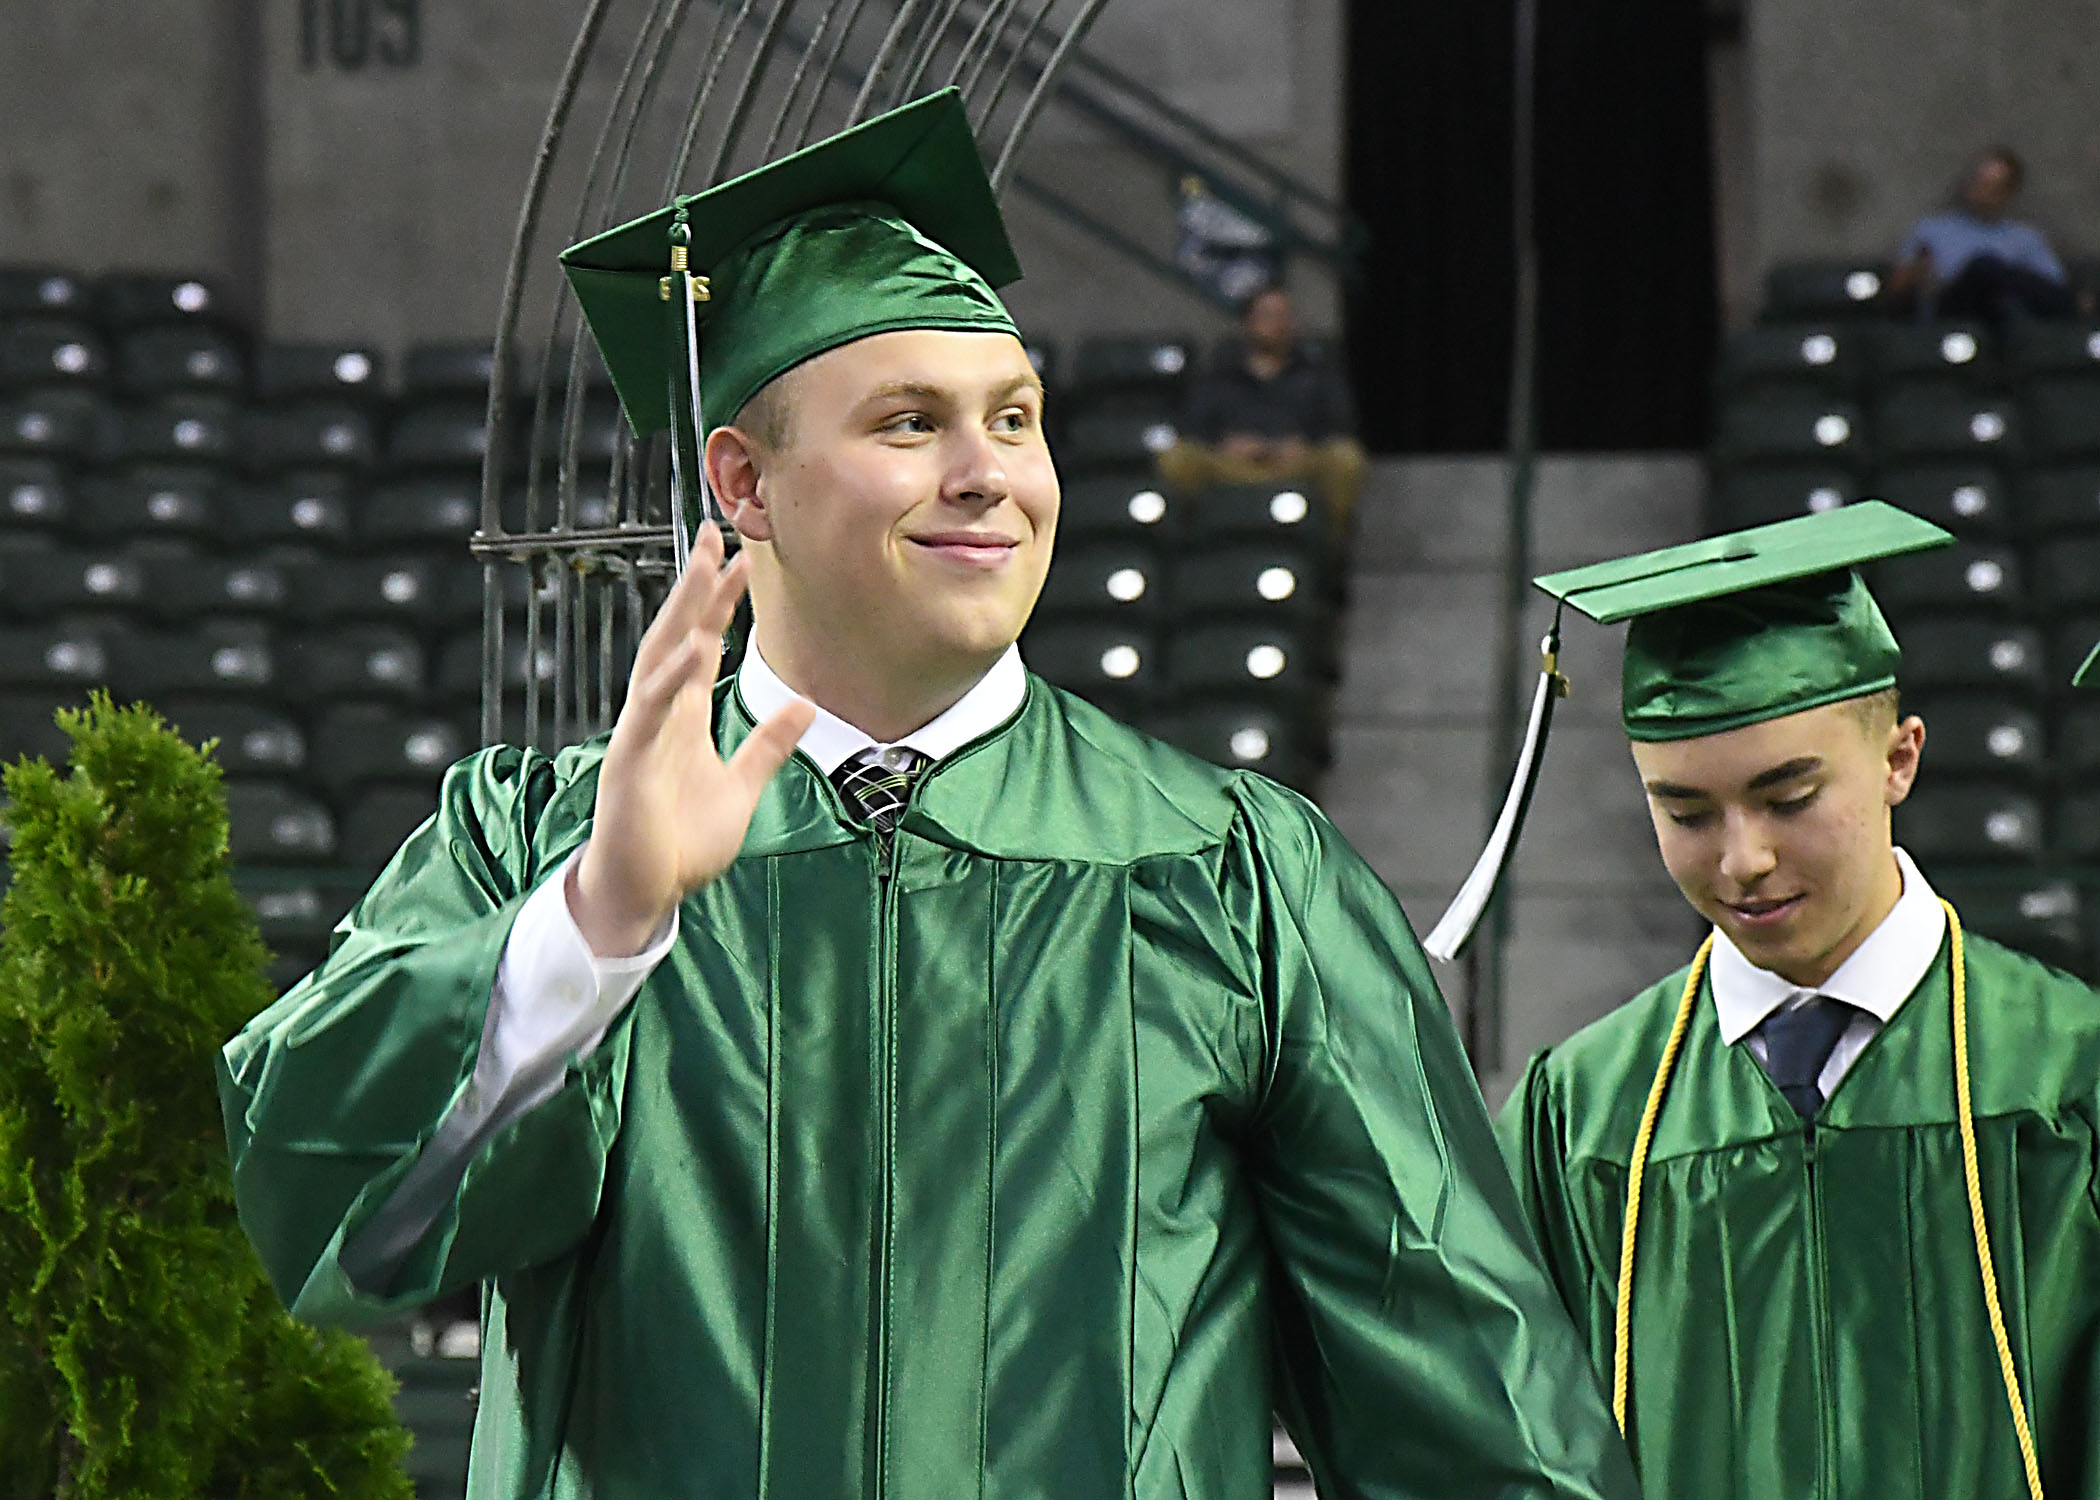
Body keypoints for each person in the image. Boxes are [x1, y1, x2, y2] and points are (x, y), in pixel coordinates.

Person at [216, 91, 1638, 1500]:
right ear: (745, 485)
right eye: (911, 424)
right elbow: (329, 1218)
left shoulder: (1233, 872)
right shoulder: (536, 847)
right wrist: (605, 918)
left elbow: (1472, 1408)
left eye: (1014, 420)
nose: (988, 477)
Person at [1489, 502, 2100, 1498]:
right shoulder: (1585, 1117)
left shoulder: (2069, 1074)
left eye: (1788, 797)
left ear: (1900, 757)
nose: (1744, 859)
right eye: (1685, 811)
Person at [1156, 283, 1367, 542]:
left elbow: (1341, 423)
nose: (1278, 324)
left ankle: (1333, 545)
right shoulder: (1219, 375)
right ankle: (1187, 542)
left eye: (1284, 317)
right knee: (1177, 457)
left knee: (1345, 457)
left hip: (1295, 462)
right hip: (1231, 465)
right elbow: (1192, 424)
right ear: (1249, 322)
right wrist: (1225, 445)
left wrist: (1305, 444)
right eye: (1268, 316)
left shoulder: (1318, 373)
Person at [1888, 146, 2078, 322]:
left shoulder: (2025, 237)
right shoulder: (1933, 229)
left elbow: (2052, 288)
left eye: (1991, 186)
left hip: (2006, 320)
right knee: (1983, 267)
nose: (1980, 191)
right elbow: (1899, 287)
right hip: (1952, 313)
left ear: (2008, 193)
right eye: (1977, 181)